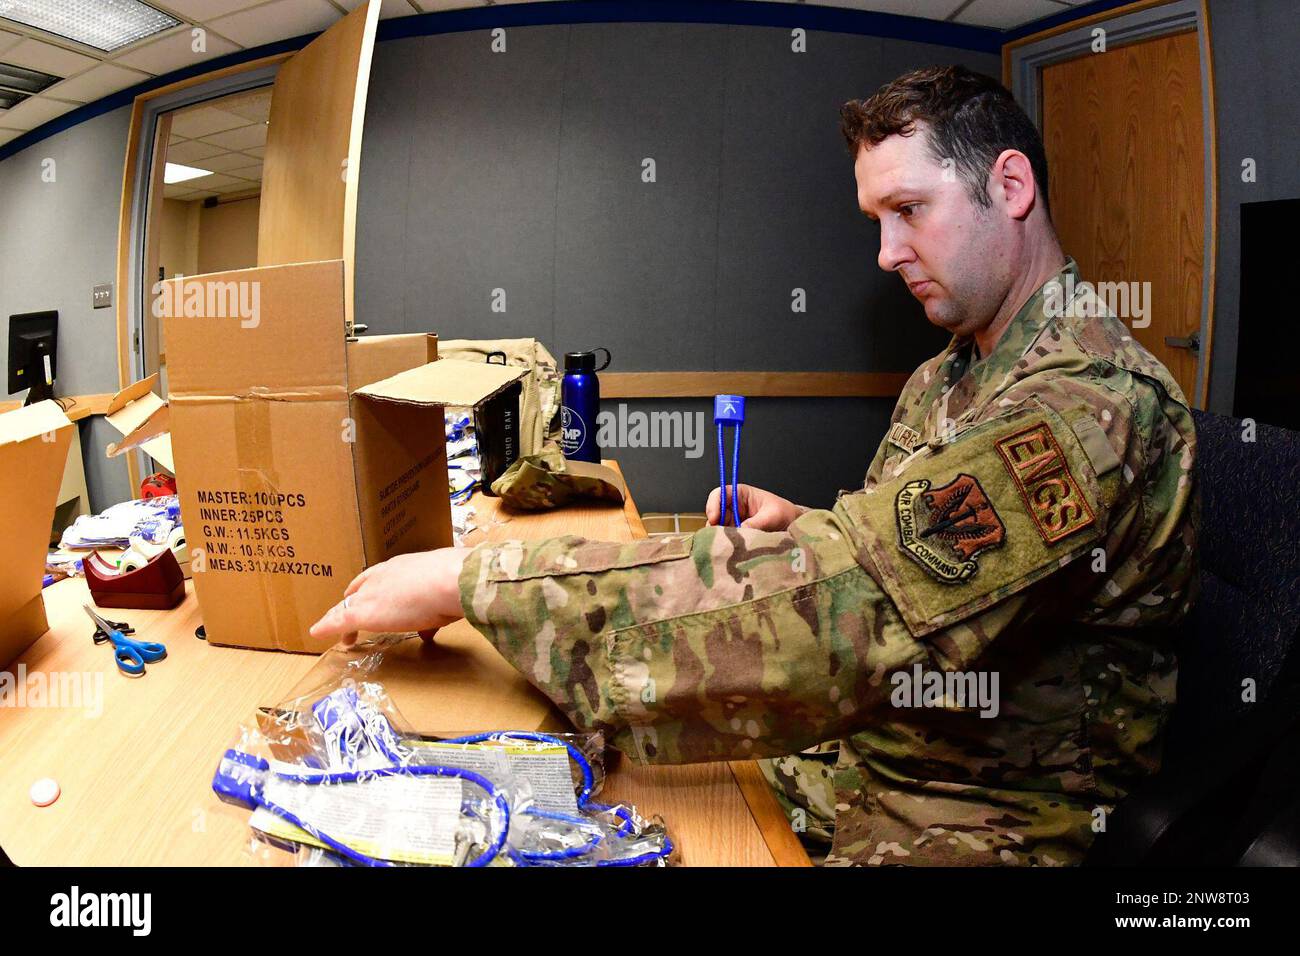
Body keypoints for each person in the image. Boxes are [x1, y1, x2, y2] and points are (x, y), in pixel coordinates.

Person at [310, 65, 1198, 866]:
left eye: (909, 211)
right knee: (564, 788)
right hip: (884, 742)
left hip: (981, 805)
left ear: (1009, 186)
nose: (886, 254)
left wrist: (477, 580)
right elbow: (910, 559)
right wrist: (807, 526)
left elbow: (854, 613)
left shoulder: (1089, 401)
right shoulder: (951, 371)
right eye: (876, 221)